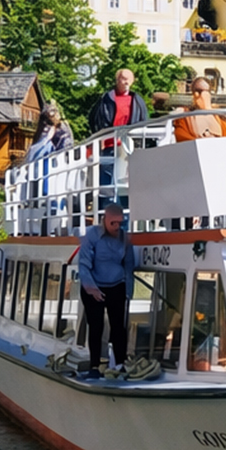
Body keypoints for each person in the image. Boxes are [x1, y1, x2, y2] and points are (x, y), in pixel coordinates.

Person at [76, 203, 137, 374]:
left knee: (119, 327)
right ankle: (94, 365)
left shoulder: (125, 238)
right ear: (105, 220)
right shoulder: (91, 236)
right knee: (96, 327)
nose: (117, 227)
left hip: (116, 285)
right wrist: (91, 288)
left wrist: (128, 292)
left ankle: (120, 364)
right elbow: (83, 266)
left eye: (121, 223)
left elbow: (129, 266)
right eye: (114, 223)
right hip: (94, 286)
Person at [87, 69, 148, 199]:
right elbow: (94, 119)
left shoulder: (137, 101)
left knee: (126, 183)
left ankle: (125, 213)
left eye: (128, 79)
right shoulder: (106, 99)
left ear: (132, 81)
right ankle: (106, 209)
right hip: (109, 146)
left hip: (129, 147)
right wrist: (99, 139)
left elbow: (144, 122)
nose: (125, 82)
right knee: (107, 181)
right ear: (117, 80)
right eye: (123, 78)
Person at [173, 76, 226, 142]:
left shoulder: (219, 116)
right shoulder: (184, 115)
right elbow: (180, 134)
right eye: (197, 91)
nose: (198, 95)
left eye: (206, 91)